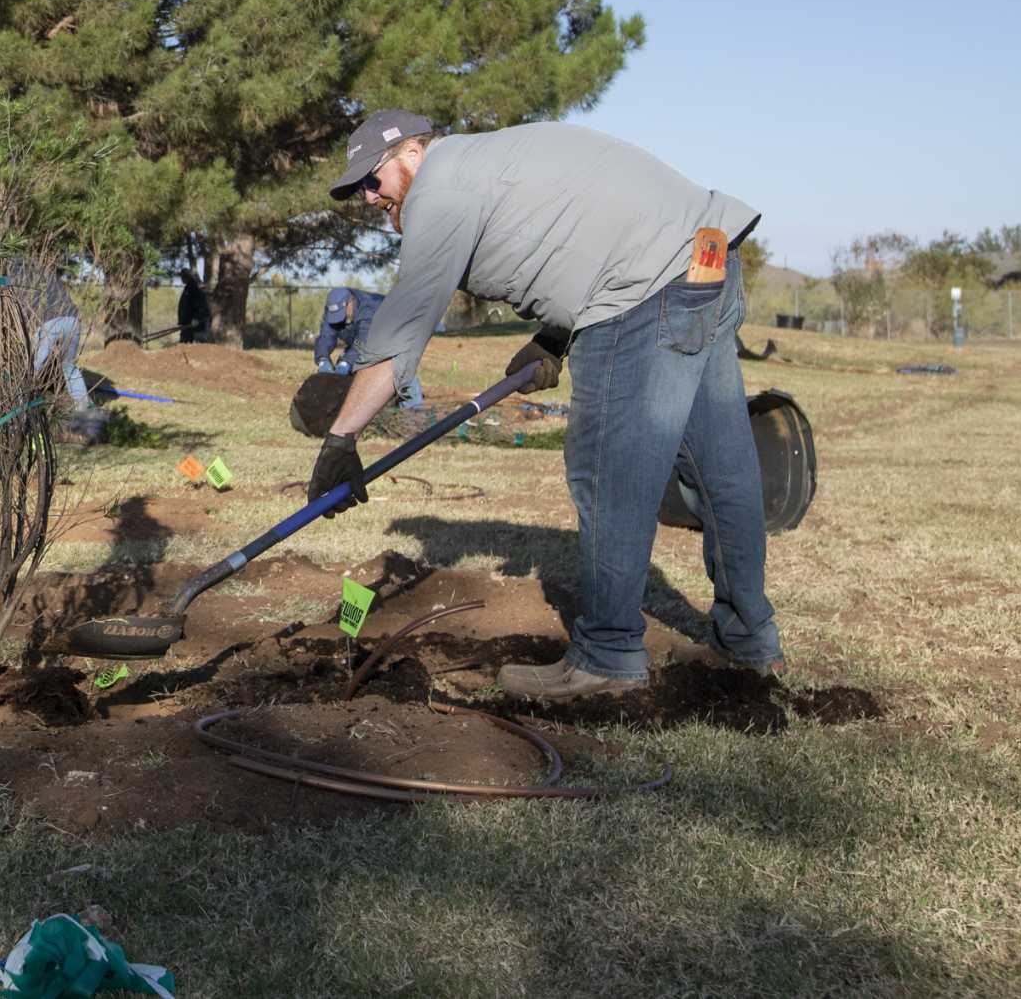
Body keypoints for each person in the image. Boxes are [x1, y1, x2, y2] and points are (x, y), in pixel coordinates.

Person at [308, 109, 783, 700]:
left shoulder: (441, 187)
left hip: (644, 290)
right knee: (720, 470)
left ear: (410, 155)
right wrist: (554, 337)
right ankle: (749, 644)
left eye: (371, 182)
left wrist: (341, 440)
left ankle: (608, 657)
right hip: (707, 258)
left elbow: (402, 329)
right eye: (358, 193)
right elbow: (582, 228)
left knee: (606, 471)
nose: (369, 200)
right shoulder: (487, 160)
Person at [7, 257, 103, 441]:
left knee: (34, 366)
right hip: (73, 321)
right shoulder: (45, 277)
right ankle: (83, 406)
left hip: (49, 322)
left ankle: (20, 404)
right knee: (69, 367)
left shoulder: (18, 282)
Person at [312, 285, 423, 409]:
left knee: (400, 369)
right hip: (364, 340)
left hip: (394, 332)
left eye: (341, 314)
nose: (339, 319)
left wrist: (346, 362)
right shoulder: (332, 309)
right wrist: (323, 359)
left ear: (350, 303)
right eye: (335, 315)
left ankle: (413, 411)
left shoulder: (369, 309)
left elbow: (363, 342)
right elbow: (326, 335)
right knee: (350, 370)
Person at [176, 269, 211, 344]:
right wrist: (182, 321)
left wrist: (196, 318)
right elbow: (185, 307)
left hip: (198, 323)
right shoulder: (187, 288)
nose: (181, 279)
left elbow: (200, 304)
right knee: (184, 343)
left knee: (198, 345)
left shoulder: (195, 288)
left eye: (182, 277)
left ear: (186, 277)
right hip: (187, 323)